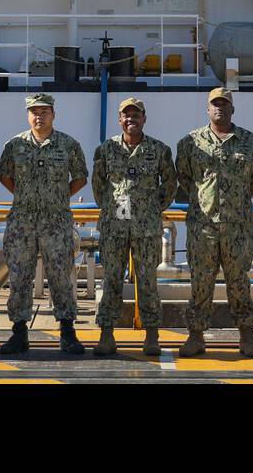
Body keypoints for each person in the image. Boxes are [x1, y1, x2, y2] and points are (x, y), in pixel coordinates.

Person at [175, 87, 253, 357]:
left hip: (238, 227)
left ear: (232, 109)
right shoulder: (190, 143)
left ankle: (247, 336)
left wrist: (235, 202)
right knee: (200, 282)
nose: (220, 108)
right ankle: (196, 336)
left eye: (224, 104)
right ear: (207, 109)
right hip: (202, 227)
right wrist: (206, 200)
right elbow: (186, 179)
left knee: (239, 281)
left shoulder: (252, 143)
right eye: (215, 104)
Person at [0, 93, 88, 355]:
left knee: (60, 276)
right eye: (34, 112)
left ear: (53, 115)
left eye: (44, 112)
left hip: (56, 222)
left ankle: (67, 332)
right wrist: (25, 197)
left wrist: (58, 198)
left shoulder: (68, 145)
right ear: (28, 115)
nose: (39, 116)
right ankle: (19, 332)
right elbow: (5, 176)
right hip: (22, 222)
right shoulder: (14, 145)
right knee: (19, 277)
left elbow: (80, 178)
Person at [91, 97, 176, 357]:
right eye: (126, 115)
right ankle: (107, 334)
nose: (131, 119)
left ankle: (151, 335)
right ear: (120, 120)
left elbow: (169, 185)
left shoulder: (159, 150)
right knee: (111, 280)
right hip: (114, 228)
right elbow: (98, 186)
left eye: (136, 115)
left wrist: (151, 208)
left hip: (146, 229)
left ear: (144, 118)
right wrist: (111, 209)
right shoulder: (106, 150)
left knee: (147, 281)